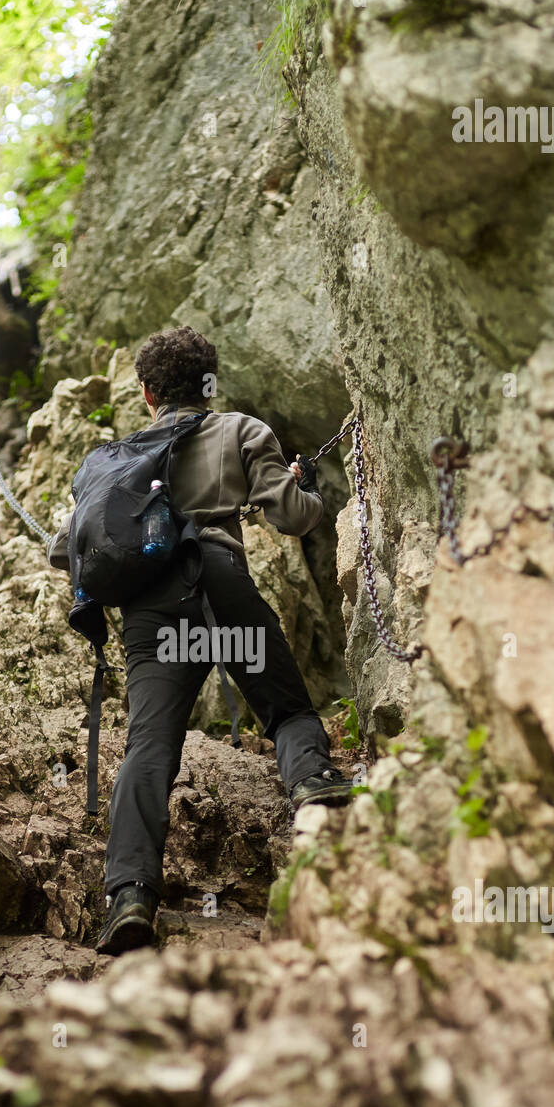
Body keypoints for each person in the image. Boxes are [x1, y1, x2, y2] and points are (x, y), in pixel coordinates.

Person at [97, 325, 351, 956]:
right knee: (285, 706)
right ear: (210, 382)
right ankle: (312, 781)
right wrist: (304, 486)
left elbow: (68, 551)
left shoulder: (120, 457)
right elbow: (292, 517)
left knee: (149, 744)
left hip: (152, 612)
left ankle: (130, 895)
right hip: (220, 585)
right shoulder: (241, 430)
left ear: (148, 393)